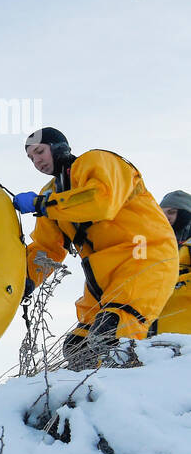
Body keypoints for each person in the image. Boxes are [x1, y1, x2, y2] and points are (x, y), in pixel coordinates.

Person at [14, 127, 177, 367]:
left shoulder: (97, 161)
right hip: (101, 276)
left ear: (58, 147)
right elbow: (47, 248)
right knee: (77, 346)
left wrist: (43, 204)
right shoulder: (50, 194)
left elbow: (101, 200)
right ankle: (87, 399)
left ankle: (138, 392)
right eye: (31, 158)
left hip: (143, 255)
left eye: (40, 151)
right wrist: (25, 281)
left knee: (115, 329)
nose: (37, 161)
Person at [152, 190, 191, 334]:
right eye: (162, 212)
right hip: (160, 331)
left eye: (171, 212)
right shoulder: (156, 247)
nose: (166, 217)